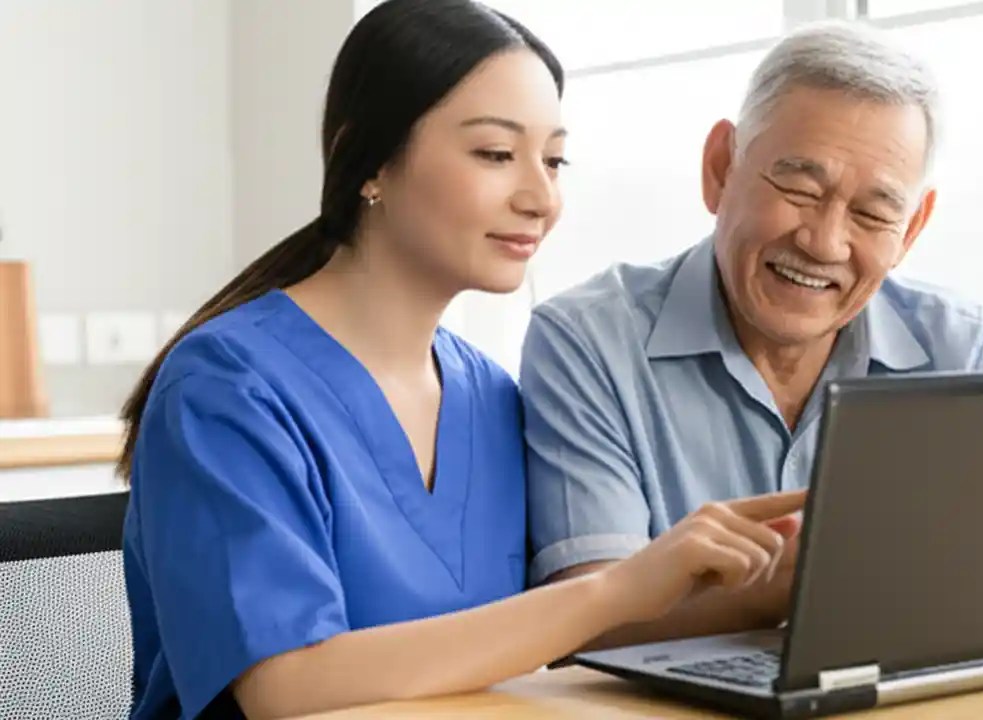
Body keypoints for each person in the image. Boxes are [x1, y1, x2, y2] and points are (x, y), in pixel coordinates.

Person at [118, 2, 804, 718]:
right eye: (496, 155)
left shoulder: (488, 395)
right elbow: (286, 685)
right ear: (372, 161)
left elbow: (547, 633)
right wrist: (612, 589)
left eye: (555, 159)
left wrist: (774, 575)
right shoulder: (224, 388)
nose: (542, 197)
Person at [521, 20, 983, 663]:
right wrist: (814, 580)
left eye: (872, 212)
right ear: (720, 168)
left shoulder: (965, 344)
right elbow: (584, 610)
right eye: (798, 188)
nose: (825, 241)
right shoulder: (588, 340)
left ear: (912, 228)